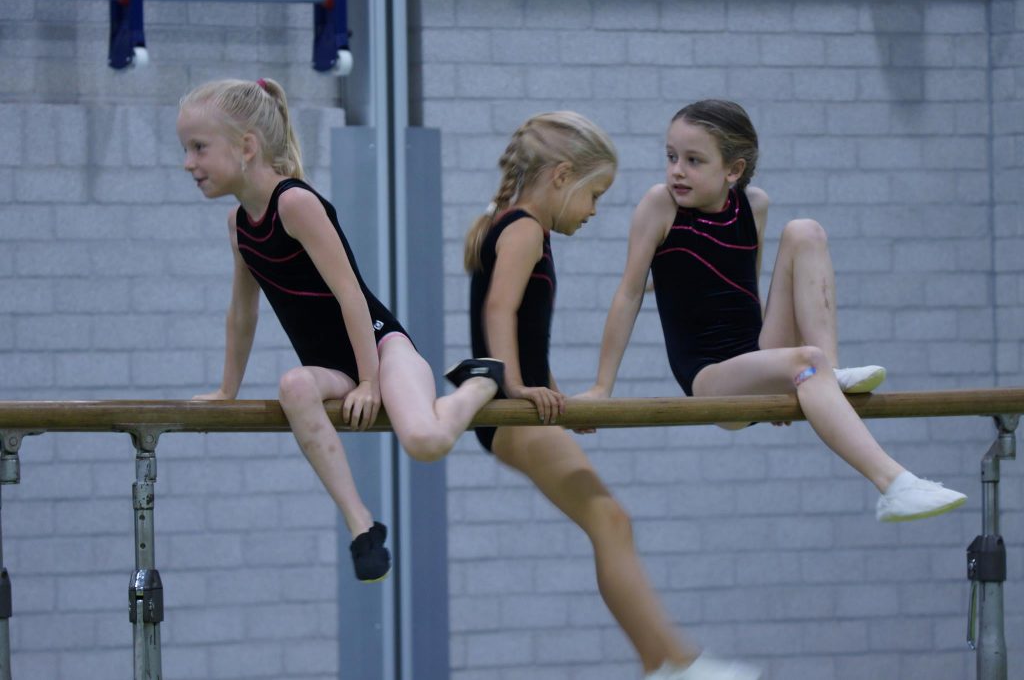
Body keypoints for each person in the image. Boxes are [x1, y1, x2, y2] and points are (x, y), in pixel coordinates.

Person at [456, 110, 759, 680]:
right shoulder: (522, 228)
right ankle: (671, 663)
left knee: (610, 522)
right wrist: (516, 386)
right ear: (561, 176)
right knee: (610, 520)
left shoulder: (516, 223)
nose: (594, 210)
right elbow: (498, 309)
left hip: (516, 411)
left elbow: (510, 319)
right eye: (594, 194)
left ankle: (665, 662)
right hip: (508, 411)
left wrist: (551, 398)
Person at [177, 78, 502, 582]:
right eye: (186, 150)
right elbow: (242, 313)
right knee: (293, 385)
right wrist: (227, 391)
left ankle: (479, 382)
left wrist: (372, 380)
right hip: (334, 366)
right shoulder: (238, 224)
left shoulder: (295, 203)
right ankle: (362, 526)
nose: (188, 163)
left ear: (246, 147)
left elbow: (350, 294)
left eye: (199, 148)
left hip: (381, 345)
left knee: (424, 441)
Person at [583, 99, 966, 523]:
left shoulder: (754, 204)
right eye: (671, 157)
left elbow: (747, 291)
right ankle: (893, 484)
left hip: (756, 354)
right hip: (710, 376)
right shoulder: (661, 206)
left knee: (806, 231)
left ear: (734, 170)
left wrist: (780, 375)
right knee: (806, 360)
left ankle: (826, 380)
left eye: (694, 161)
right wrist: (603, 387)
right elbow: (629, 294)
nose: (676, 170)